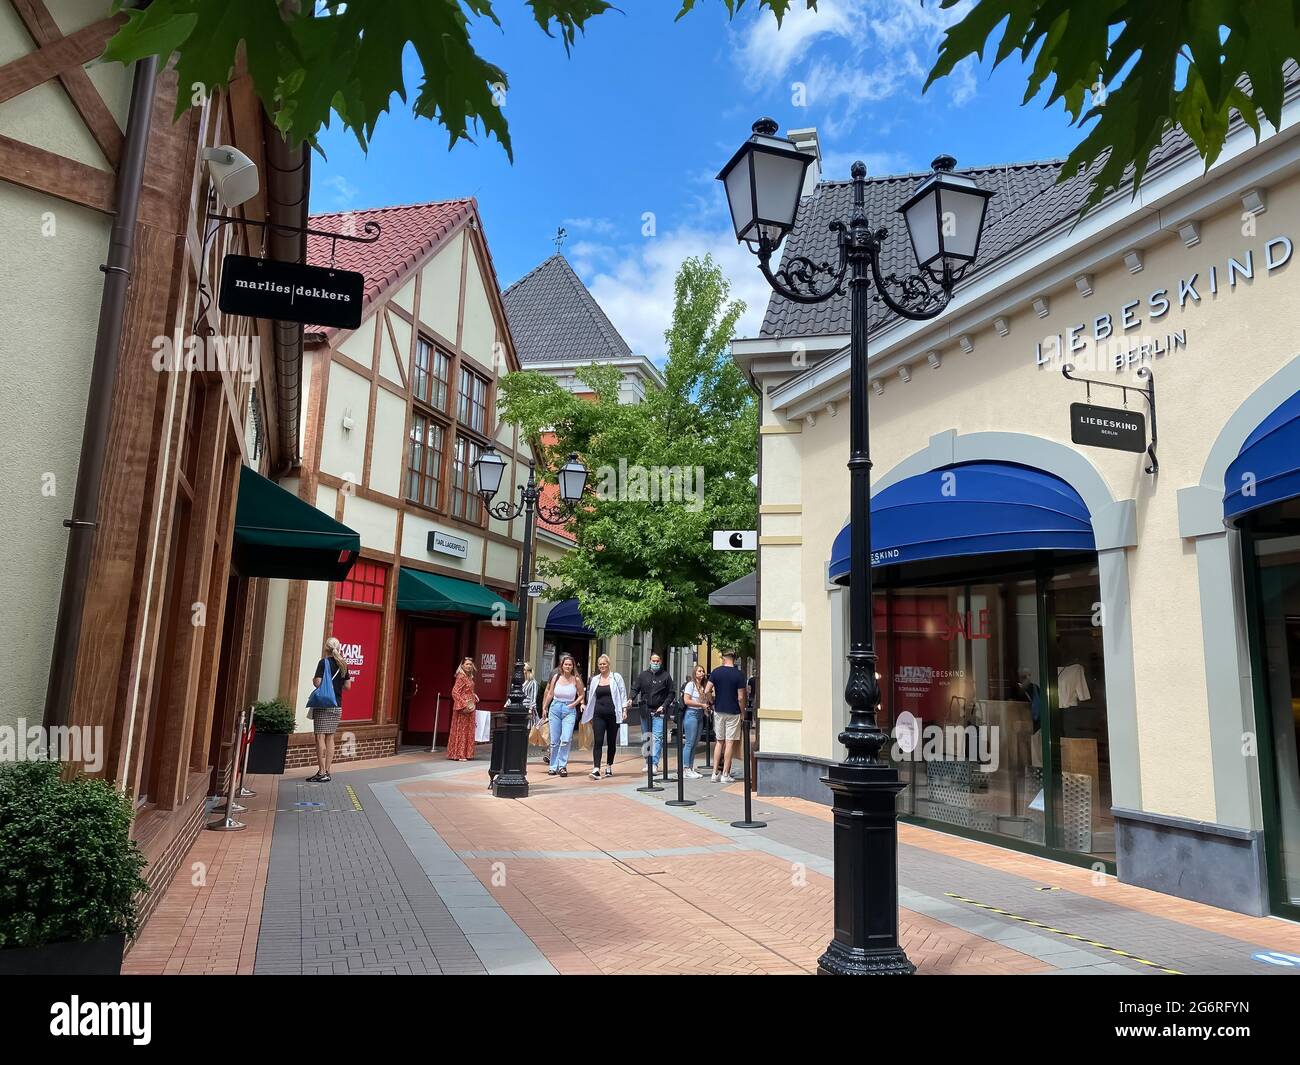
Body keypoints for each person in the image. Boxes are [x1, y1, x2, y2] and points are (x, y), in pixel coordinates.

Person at [307, 637, 351, 783]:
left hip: (323, 705)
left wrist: (316, 681)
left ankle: (321, 772)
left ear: (326, 648)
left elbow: (318, 683)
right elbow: (347, 686)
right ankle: (328, 770)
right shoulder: (343, 664)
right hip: (337, 705)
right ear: (339, 648)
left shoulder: (323, 662)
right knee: (330, 737)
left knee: (320, 737)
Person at [582, 653, 628, 779]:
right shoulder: (595, 679)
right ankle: (596, 768)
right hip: (598, 714)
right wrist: (589, 714)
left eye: (604, 663)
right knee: (598, 740)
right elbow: (591, 697)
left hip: (613, 714)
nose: (602, 666)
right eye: (600, 664)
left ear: (608, 664)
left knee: (611, 741)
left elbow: (623, 693)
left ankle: (609, 766)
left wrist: (624, 710)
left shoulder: (616, 677)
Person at [631, 652, 675, 773]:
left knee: (657, 737)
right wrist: (631, 698)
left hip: (659, 711)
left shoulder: (666, 676)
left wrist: (664, 705)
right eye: (653, 661)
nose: (655, 663)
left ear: (660, 662)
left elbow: (671, 693)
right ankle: (647, 761)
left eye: (657, 661)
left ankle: (654, 763)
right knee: (646, 737)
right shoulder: (643, 675)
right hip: (645, 710)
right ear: (650, 661)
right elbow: (635, 689)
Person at [707, 651, 747, 784]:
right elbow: (741, 697)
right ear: (734, 659)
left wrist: (711, 701)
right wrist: (742, 713)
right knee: (729, 742)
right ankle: (725, 774)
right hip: (733, 711)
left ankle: (714, 773)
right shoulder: (739, 675)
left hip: (719, 710)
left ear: (724, 658)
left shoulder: (716, 672)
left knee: (719, 741)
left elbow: (707, 690)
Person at [542, 654, 585, 777]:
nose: (568, 666)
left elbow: (581, 694)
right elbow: (550, 693)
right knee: (555, 741)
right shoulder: (556, 677)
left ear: (573, 666)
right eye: (565, 664)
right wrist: (545, 707)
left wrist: (574, 704)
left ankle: (562, 766)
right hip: (555, 708)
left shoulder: (576, 679)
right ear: (562, 665)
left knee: (565, 739)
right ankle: (553, 766)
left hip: (569, 710)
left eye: (570, 664)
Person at [680, 663, 711, 779]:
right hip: (691, 714)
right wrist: (700, 705)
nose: (702, 673)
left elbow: (706, 700)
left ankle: (691, 767)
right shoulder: (690, 685)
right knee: (689, 742)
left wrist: (706, 705)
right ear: (694, 673)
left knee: (695, 743)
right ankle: (685, 768)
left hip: (699, 714)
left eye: (702, 671)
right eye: (699, 671)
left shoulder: (703, 687)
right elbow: (687, 701)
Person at [446, 657, 478, 761]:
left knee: (468, 729)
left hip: (470, 705)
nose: (469, 666)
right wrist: (463, 704)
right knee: (462, 730)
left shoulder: (469, 677)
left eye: (470, 664)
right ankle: (459, 754)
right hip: (464, 707)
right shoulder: (461, 677)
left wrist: (474, 695)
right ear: (462, 665)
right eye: (467, 664)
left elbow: (467, 690)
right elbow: (455, 692)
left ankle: (467, 753)